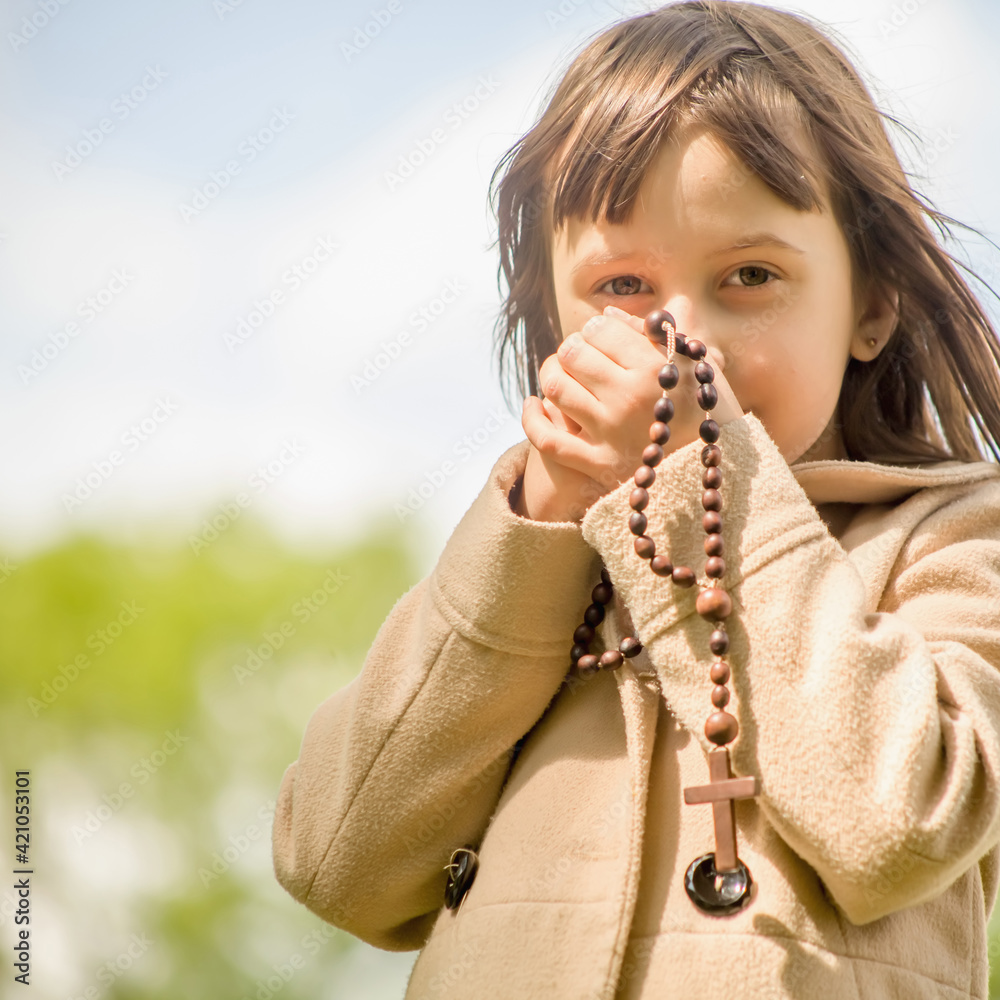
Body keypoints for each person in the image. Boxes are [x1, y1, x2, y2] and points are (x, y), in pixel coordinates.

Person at [272, 3, 1000, 997]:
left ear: (871, 303)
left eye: (750, 275)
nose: (678, 339)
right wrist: (536, 522)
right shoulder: (535, 571)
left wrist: (699, 477)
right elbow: (337, 864)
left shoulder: (955, 536)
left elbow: (896, 823)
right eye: (621, 287)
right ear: (550, 323)